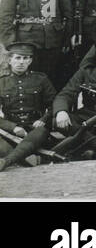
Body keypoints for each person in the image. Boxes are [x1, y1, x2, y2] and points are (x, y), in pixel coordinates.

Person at [0, 0, 72, 80]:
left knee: (51, 79)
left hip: (53, 44)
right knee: (27, 80)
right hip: (25, 44)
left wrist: (66, 41)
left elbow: (68, 16)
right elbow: (5, 19)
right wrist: (12, 45)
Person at [0, 42, 60, 172]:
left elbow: (54, 103)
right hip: (12, 130)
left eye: (25, 58)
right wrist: (13, 127)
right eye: (18, 58)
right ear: (10, 60)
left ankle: (6, 161)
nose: (21, 62)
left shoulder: (41, 79)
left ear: (30, 61)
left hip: (36, 127)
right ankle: (24, 159)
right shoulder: (1, 82)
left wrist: (43, 120)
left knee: (40, 133)